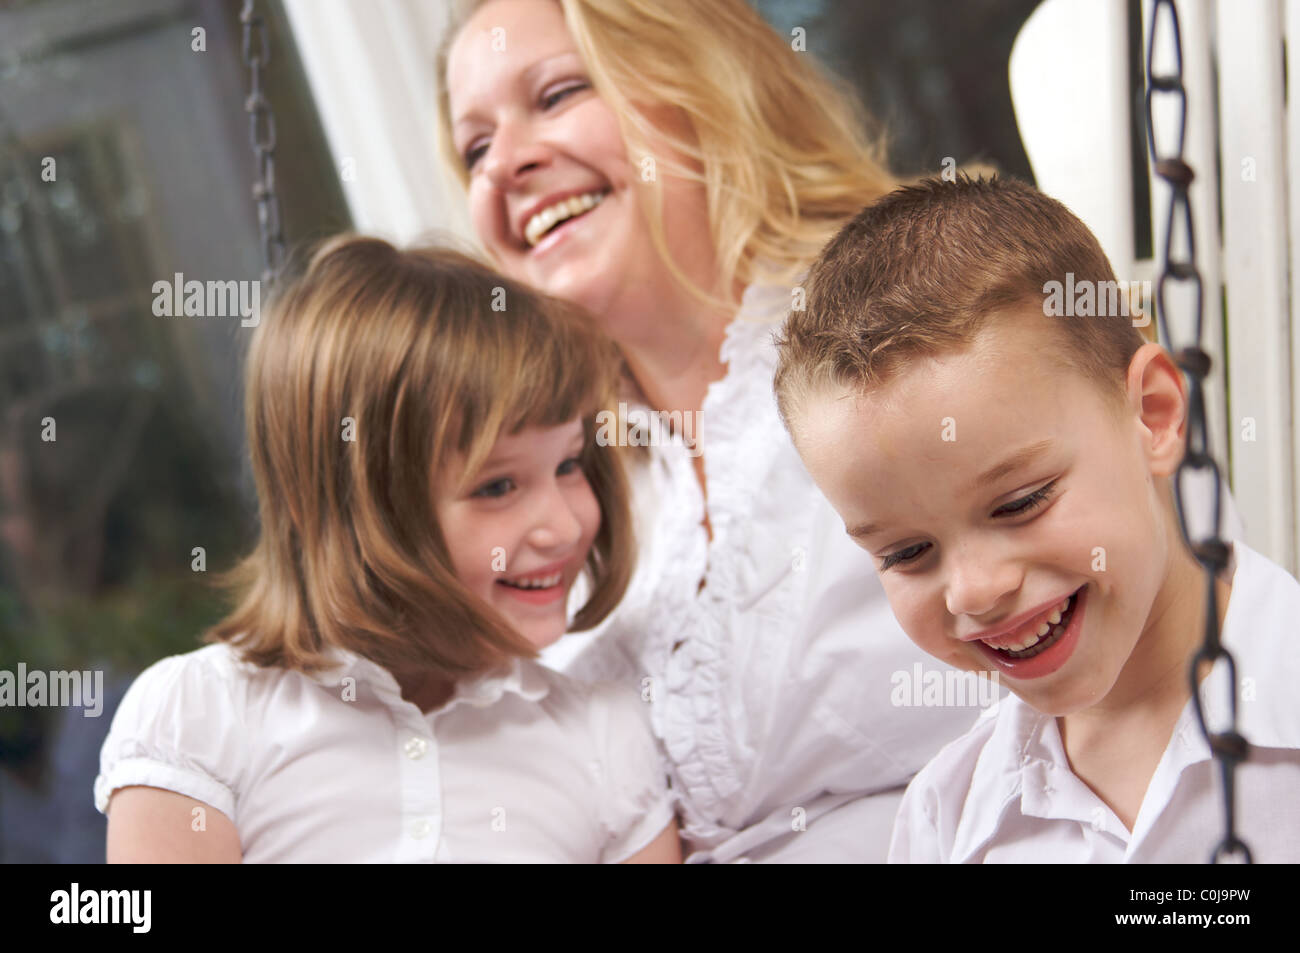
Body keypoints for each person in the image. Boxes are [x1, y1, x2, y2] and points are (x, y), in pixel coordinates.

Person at [437, 0, 981, 862]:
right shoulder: (545, 489)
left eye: (557, 93)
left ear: (702, 82)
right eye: (474, 148)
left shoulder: (925, 325)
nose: (505, 162)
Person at [94, 236, 679, 863]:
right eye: (498, 486)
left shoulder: (602, 737)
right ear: (348, 509)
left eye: (568, 464)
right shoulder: (202, 721)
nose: (562, 526)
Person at [773, 174, 1298, 863]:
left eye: (1021, 502)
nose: (976, 590)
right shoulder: (948, 822)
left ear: (1154, 415)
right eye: (906, 552)